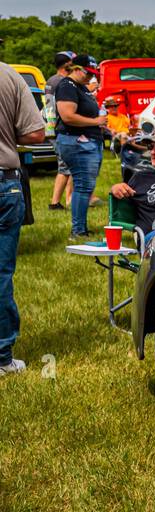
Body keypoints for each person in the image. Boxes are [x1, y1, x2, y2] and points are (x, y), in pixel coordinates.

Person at [0, 61, 47, 376]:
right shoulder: (9, 75)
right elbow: (35, 134)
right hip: (4, 181)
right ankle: (2, 357)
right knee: (1, 272)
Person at [54, 54, 108, 241]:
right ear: (76, 68)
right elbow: (68, 116)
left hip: (87, 141)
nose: (90, 77)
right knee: (83, 186)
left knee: (85, 186)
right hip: (76, 142)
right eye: (87, 73)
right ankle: (77, 231)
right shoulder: (67, 86)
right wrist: (95, 121)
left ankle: (81, 227)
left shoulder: (80, 87)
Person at [108, 126, 155, 241]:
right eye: (150, 147)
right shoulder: (141, 178)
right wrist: (115, 188)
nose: (153, 152)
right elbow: (120, 209)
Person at [44, 51, 75, 210]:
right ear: (65, 65)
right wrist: (52, 130)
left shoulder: (54, 80)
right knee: (65, 166)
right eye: (71, 62)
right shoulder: (60, 82)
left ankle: (69, 199)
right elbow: (50, 107)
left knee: (69, 166)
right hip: (59, 130)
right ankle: (55, 202)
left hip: (57, 129)